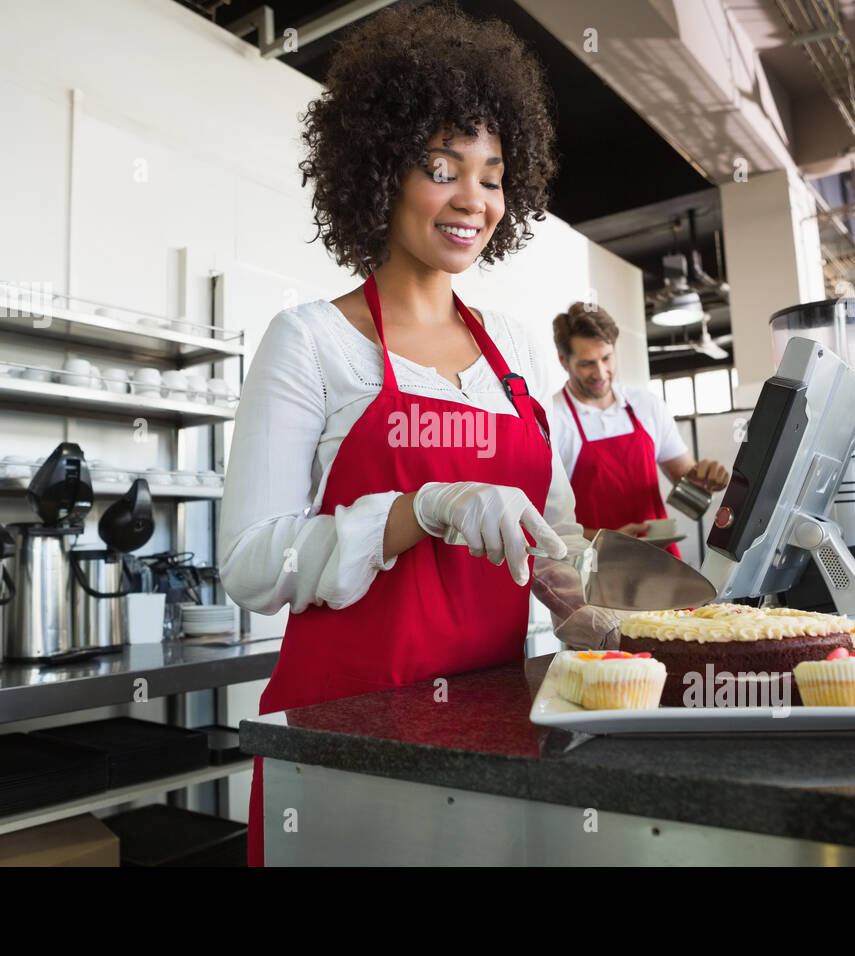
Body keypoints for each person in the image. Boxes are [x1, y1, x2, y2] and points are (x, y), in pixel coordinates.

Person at [218, 3, 601, 867]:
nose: (474, 200)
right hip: (347, 736)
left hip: (488, 725)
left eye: (494, 175)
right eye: (442, 167)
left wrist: (588, 603)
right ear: (381, 169)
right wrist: (422, 508)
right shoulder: (313, 339)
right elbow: (250, 565)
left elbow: (551, 536)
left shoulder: (506, 344)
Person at [550, 302, 729, 559]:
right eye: (587, 363)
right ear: (563, 361)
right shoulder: (552, 418)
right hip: (594, 568)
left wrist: (704, 479)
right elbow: (547, 522)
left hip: (660, 561)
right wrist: (606, 539)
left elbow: (687, 482)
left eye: (607, 358)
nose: (600, 372)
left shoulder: (647, 405)